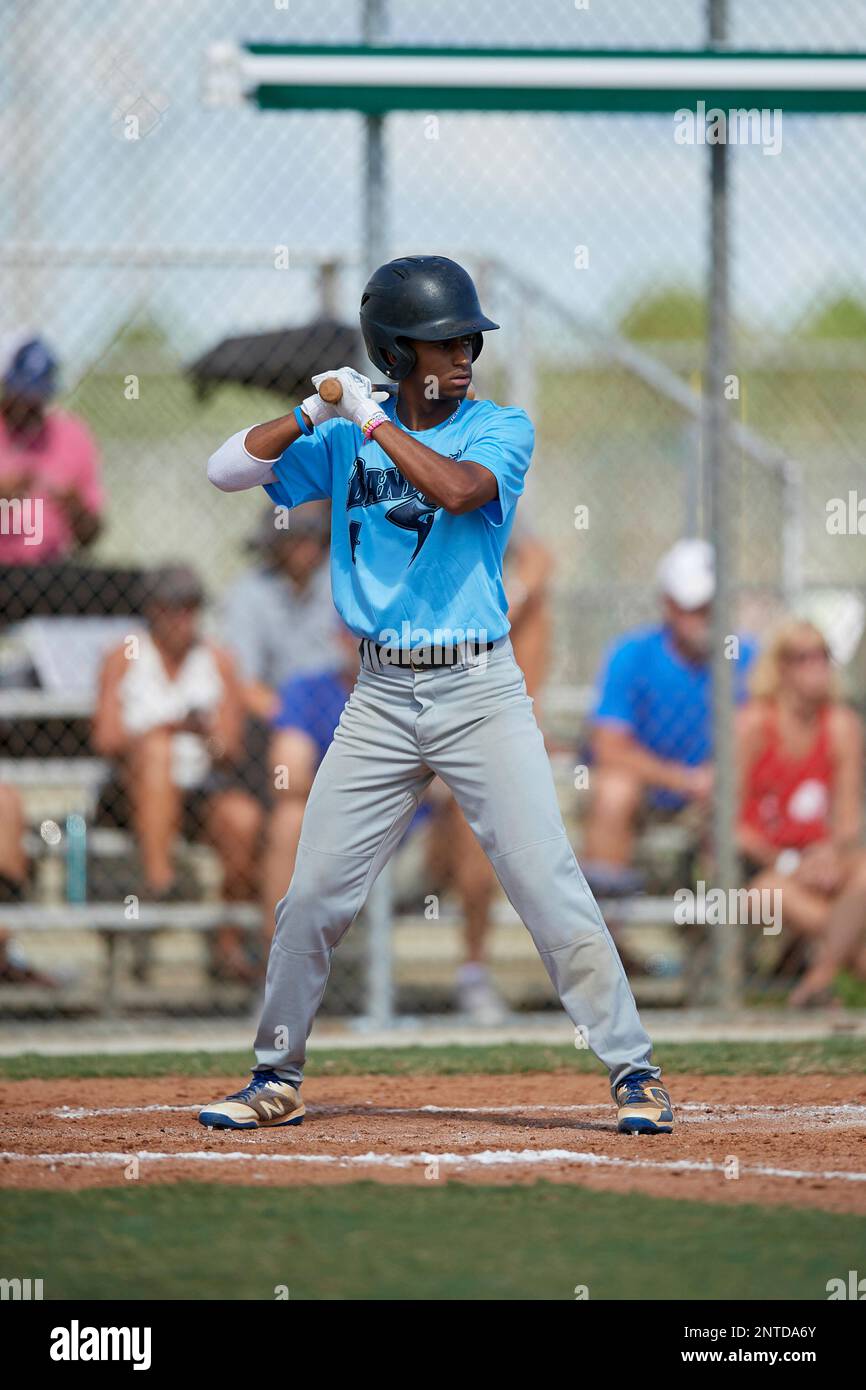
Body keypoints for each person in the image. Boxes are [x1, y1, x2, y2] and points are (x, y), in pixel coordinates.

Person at [199, 254, 672, 1136]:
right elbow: (225, 471)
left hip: (478, 689)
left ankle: (633, 1068)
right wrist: (313, 412)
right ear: (395, 350)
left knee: (545, 882)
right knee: (312, 896)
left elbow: (457, 491)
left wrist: (371, 420)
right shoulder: (346, 436)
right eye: (442, 341)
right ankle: (275, 1074)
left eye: (467, 340)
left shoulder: (500, 427)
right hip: (378, 697)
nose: (463, 354)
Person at [92, 565, 264, 981]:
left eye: (191, 607)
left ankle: (229, 943)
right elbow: (106, 738)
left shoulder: (217, 660)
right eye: (172, 608)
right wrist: (166, 728)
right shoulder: (125, 655)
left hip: (198, 786)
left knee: (242, 819)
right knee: (157, 751)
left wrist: (205, 734)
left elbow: (229, 749)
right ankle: (160, 881)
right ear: (153, 610)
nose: (183, 618)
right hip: (131, 789)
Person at [432, 505, 555, 1022]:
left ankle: (473, 972)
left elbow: (540, 559)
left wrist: (499, 608)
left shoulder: (475, 485)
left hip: (468, 743)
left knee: (474, 809)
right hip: (395, 723)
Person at [582, 538, 756, 893]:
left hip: (719, 791)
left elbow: (765, 731)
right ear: (669, 605)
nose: (704, 617)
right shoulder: (632, 655)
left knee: (742, 801)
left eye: (712, 607)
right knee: (614, 792)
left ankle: (729, 918)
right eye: (694, 607)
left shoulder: (748, 657)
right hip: (651, 790)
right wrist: (684, 780)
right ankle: (603, 921)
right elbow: (609, 748)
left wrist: (721, 776)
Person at [737, 619, 866, 1007]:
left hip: (823, 859)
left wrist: (829, 854)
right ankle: (847, 955)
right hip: (765, 867)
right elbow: (731, 826)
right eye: (802, 657)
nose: (817, 666)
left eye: (823, 655)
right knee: (768, 893)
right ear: (779, 667)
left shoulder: (841, 725)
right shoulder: (753, 724)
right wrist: (790, 863)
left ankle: (819, 977)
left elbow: (847, 819)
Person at [262, 623, 361, 932]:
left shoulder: (424, 689)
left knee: (464, 806)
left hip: (408, 834)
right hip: (331, 832)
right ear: (341, 637)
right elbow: (286, 778)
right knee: (289, 818)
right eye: (360, 630)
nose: (372, 641)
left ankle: (474, 959)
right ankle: (278, 957)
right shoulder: (308, 690)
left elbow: (443, 782)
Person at [220, 501, 341, 724]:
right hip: (280, 716)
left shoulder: (341, 583)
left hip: (345, 708)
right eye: (294, 538)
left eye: (311, 536)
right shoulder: (249, 592)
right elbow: (244, 683)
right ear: (273, 543)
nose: (305, 547)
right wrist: (299, 720)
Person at [0, 337, 104, 565]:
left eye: (34, 399)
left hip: (49, 571)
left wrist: (74, 505)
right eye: (21, 395)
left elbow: (91, 535)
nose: (26, 406)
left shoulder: (73, 436)